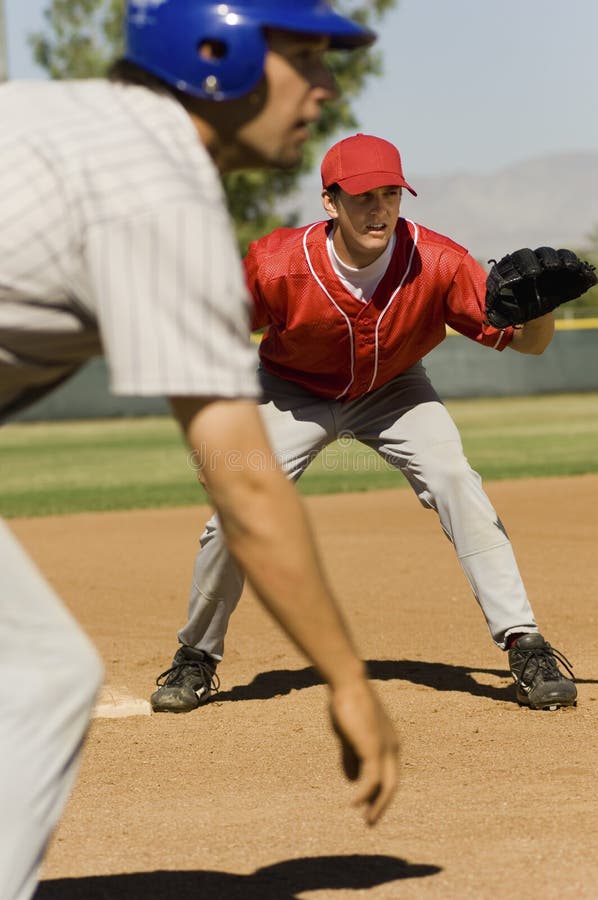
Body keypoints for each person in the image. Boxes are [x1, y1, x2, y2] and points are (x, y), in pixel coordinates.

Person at [0, 5, 401, 899]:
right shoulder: (159, 191)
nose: (326, 87)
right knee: (37, 678)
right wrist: (347, 680)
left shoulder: (61, 115)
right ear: (216, 51)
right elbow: (244, 480)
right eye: (306, 56)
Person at [151, 131, 577, 719]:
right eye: (363, 197)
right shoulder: (277, 264)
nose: (379, 210)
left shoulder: (438, 261)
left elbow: (530, 345)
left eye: (390, 194)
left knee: (456, 480)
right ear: (330, 202)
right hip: (290, 393)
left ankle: (526, 645)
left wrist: (541, 311)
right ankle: (196, 656)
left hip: (395, 389)